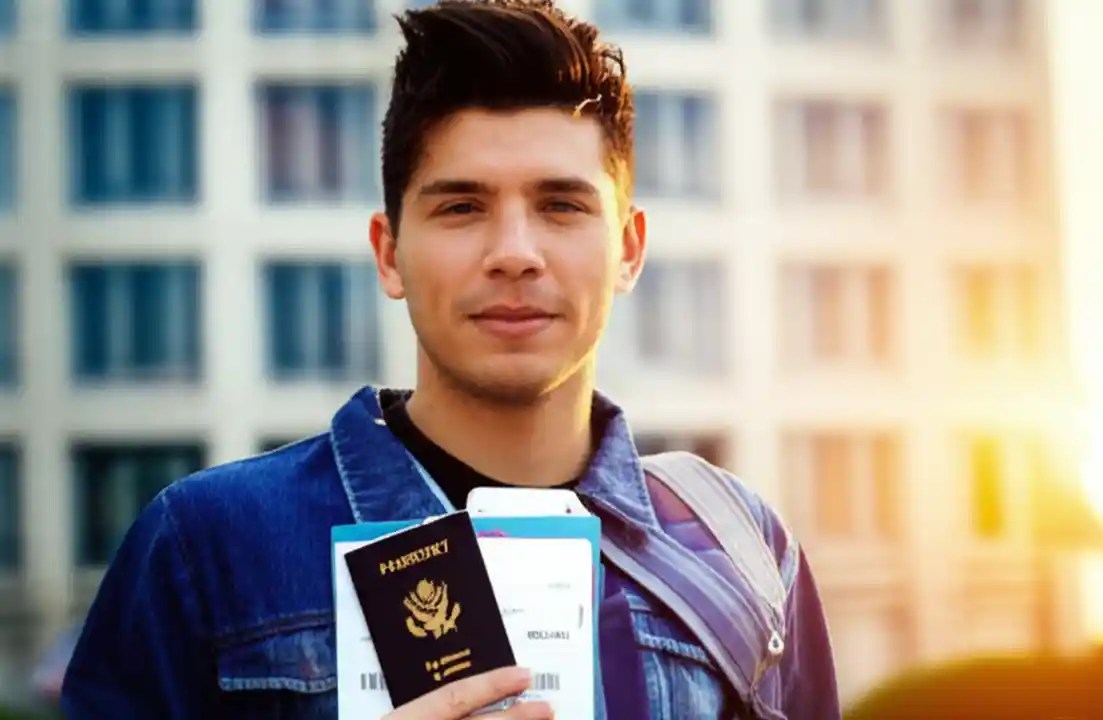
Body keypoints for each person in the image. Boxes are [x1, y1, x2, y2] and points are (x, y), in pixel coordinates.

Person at [60, 1, 841, 718]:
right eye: (462, 207)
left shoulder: (742, 545)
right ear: (390, 253)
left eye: (561, 206)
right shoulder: (208, 546)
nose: (514, 253)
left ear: (629, 250)